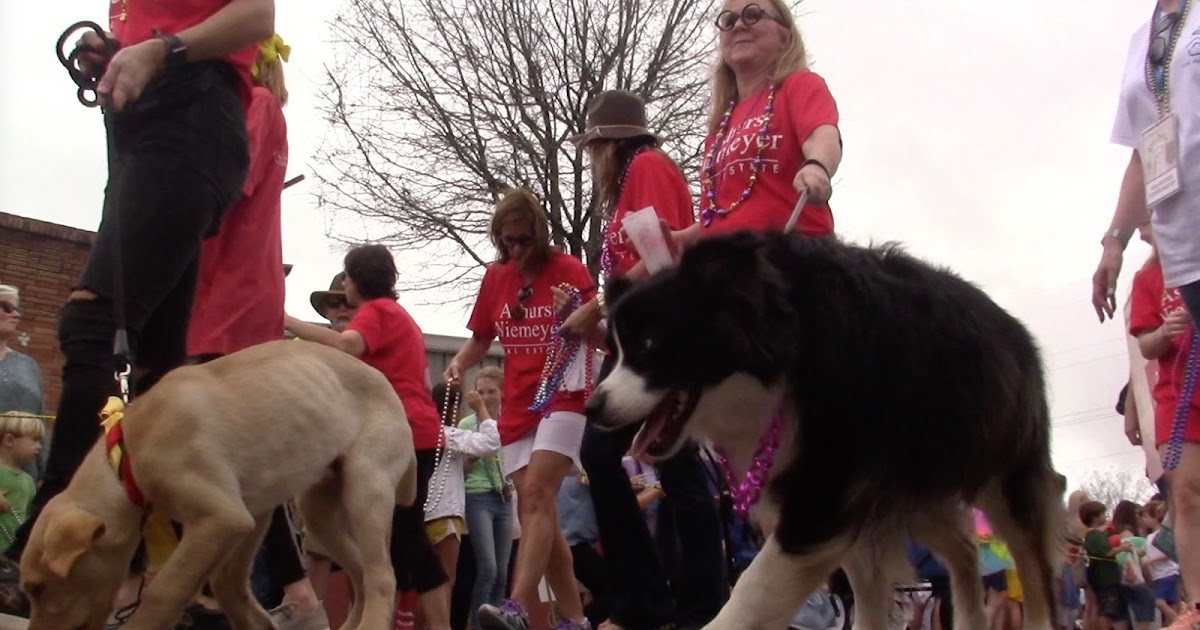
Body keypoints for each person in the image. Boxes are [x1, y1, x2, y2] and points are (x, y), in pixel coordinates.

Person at [559, 89, 728, 630]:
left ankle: (665, 600)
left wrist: (597, 306)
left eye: (593, 149)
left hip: (662, 337)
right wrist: (598, 315)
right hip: (642, 335)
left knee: (605, 451)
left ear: (610, 145)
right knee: (670, 464)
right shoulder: (631, 180)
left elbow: (663, 255)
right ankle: (673, 601)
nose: (591, 160)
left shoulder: (649, 167)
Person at [1092, 4, 1200, 625]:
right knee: (1188, 486)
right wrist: (1114, 241)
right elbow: (1143, 148)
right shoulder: (1144, 39)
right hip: (1186, 250)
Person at [445, 189, 595, 630]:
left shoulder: (568, 269)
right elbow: (480, 336)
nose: (514, 249)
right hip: (518, 405)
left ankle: (516, 608)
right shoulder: (496, 277)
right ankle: (575, 620)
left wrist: (581, 315)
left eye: (523, 240)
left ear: (540, 235)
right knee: (542, 519)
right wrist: (458, 362)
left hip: (564, 394)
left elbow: (603, 332)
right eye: (506, 241)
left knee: (534, 498)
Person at [285, 245, 451, 630]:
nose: (344, 287)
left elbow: (347, 345)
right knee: (397, 538)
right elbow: (424, 381)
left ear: (358, 278)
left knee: (408, 538)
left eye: (346, 277)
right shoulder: (401, 317)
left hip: (401, 430)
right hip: (417, 430)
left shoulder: (376, 312)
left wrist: (287, 320)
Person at [671, 0, 840, 254]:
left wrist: (817, 166)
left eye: (753, 15)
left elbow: (822, 134)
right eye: (728, 21)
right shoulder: (720, 126)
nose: (739, 25)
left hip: (794, 258)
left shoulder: (799, 85)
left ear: (784, 35)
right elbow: (733, 209)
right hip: (728, 268)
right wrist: (687, 238)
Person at [458, 366, 515, 630]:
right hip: (478, 494)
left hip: (503, 495)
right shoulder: (468, 425)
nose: (485, 397)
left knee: (503, 572)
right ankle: (478, 625)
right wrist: (472, 454)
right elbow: (460, 469)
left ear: (502, 393)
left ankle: (498, 624)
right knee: (488, 568)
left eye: (491, 391)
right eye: (480, 391)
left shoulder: (509, 421)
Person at [0, 286, 48, 483]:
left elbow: (40, 421)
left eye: (17, 309)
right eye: (6, 307)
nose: (16, 315)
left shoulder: (27, 366)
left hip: (23, 481)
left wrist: (43, 475)